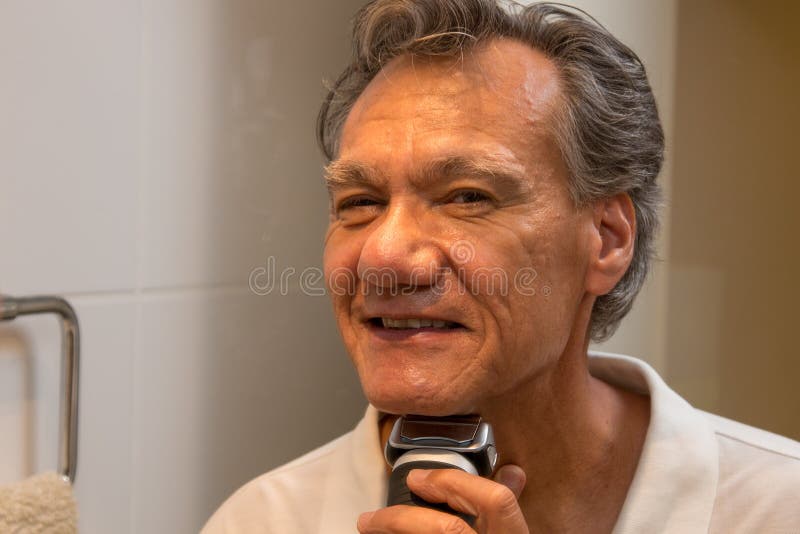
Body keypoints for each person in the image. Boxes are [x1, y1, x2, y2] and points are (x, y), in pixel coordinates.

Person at [203, 1, 800, 532]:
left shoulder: (776, 509)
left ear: (607, 240)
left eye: (467, 197)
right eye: (360, 203)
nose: (382, 258)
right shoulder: (263, 520)